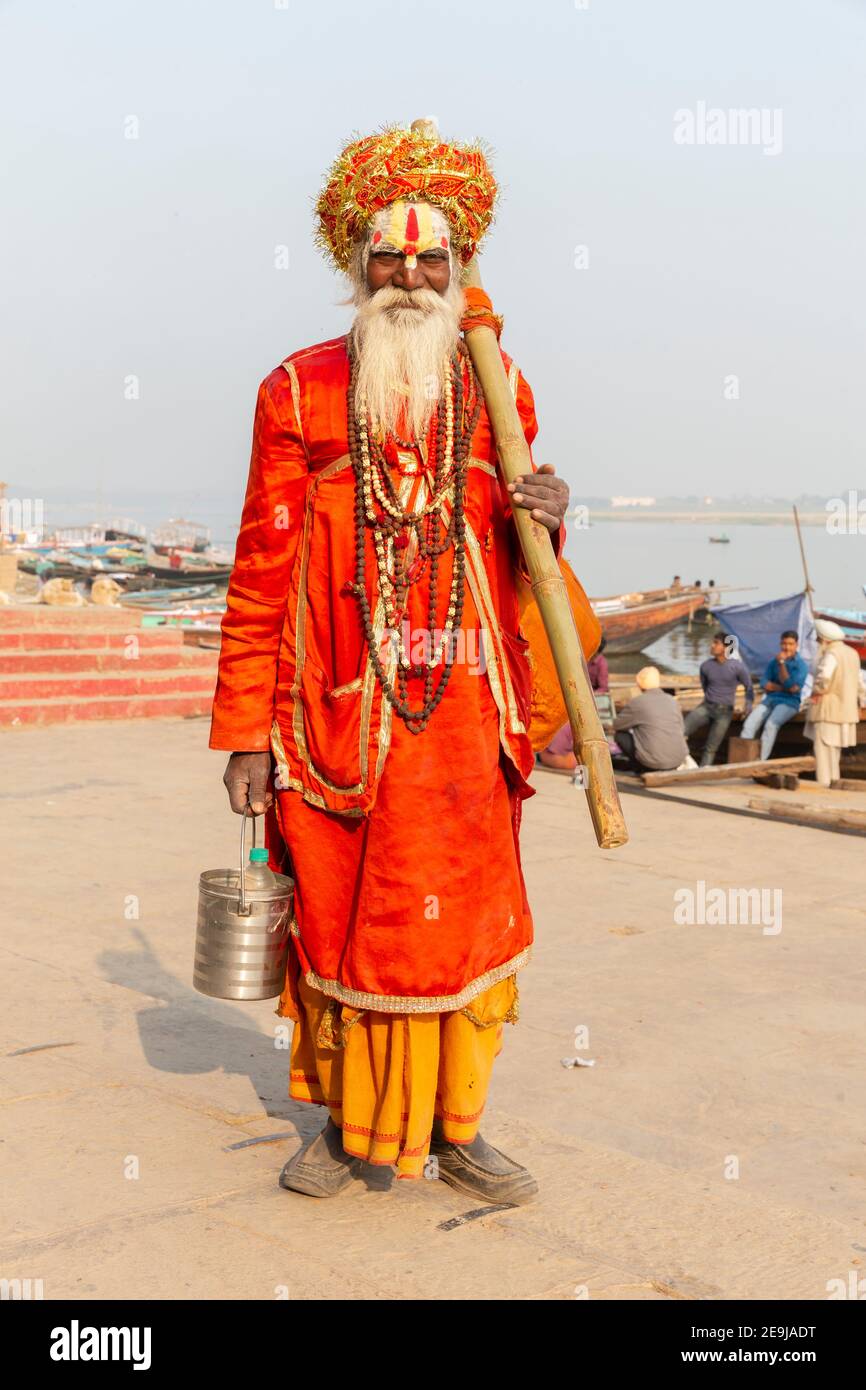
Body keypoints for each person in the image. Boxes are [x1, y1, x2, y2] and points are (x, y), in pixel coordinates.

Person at [210, 122, 573, 1205]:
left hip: (464, 719)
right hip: (331, 716)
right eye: (386, 256)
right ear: (352, 265)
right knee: (332, 914)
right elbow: (259, 562)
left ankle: (456, 1127)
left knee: (460, 922)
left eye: (429, 260)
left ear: (459, 272)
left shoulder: (498, 382)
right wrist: (239, 731)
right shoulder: (296, 388)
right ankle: (337, 1123)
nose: (407, 277)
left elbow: (523, 564)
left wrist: (549, 519)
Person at [804, 619, 862, 787]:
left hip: (827, 710)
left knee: (822, 750)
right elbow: (860, 683)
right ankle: (833, 783)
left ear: (824, 640)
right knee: (834, 752)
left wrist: (816, 691)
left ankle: (824, 784)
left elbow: (824, 678)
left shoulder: (831, 654)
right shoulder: (852, 653)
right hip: (845, 711)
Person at [683, 632, 753, 767]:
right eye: (712, 642)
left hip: (725, 712)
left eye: (716, 643)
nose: (712, 645)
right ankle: (681, 763)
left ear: (726, 647)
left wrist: (748, 704)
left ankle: (702, 774)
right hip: (706, 707)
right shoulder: (705, 666)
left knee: (710, 748)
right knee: (681, 731)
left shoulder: (737, 667)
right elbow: (705, 686)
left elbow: (748, 686)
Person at [539, 636, 608, 770]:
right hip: (579, 693)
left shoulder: (602, 663)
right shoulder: (583, 658)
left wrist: (589, 695)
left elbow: (603, 687)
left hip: (592, 695)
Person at [740, 630, 809, 759]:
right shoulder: (773, 662)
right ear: (780, 644)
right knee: (749, 723)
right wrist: (783, 687)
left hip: (789, 702)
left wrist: (782, 665)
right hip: (770, 699)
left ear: (796, 645)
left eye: (790, 644)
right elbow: (764, 682)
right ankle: (743, 759)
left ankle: (760, 762)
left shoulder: (801, 665)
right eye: (784, 644)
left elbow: (793, 689)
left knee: (771, 725)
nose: (786, 647)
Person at [611, 666, 688, 772]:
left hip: (652, 763)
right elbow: (682, 729)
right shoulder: (672, 701)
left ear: (639, 684)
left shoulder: (637, 702)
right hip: (678, 760)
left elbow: (616, 725)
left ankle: (638, 768)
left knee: (620, 735)